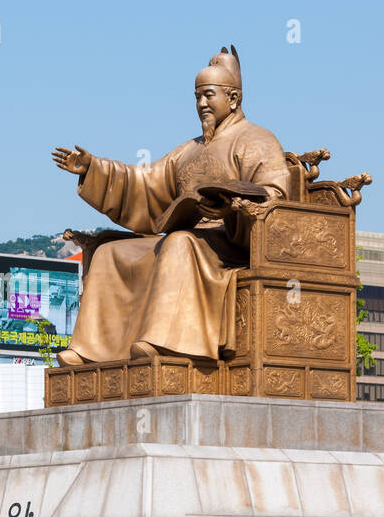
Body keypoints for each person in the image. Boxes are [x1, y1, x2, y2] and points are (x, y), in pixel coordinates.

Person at [51, 47, 293, 365]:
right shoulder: (187, 151)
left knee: (179, 243)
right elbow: (144, 182)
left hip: (232, 241)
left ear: (233, 99)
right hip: (188, 239)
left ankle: (163, 345)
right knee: (113, 254)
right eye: (197, 97)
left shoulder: (258, 140)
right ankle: (90, 351)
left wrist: (233, 206)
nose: (202, 104)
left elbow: (275, 196)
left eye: (209, 95)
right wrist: (93, 169)